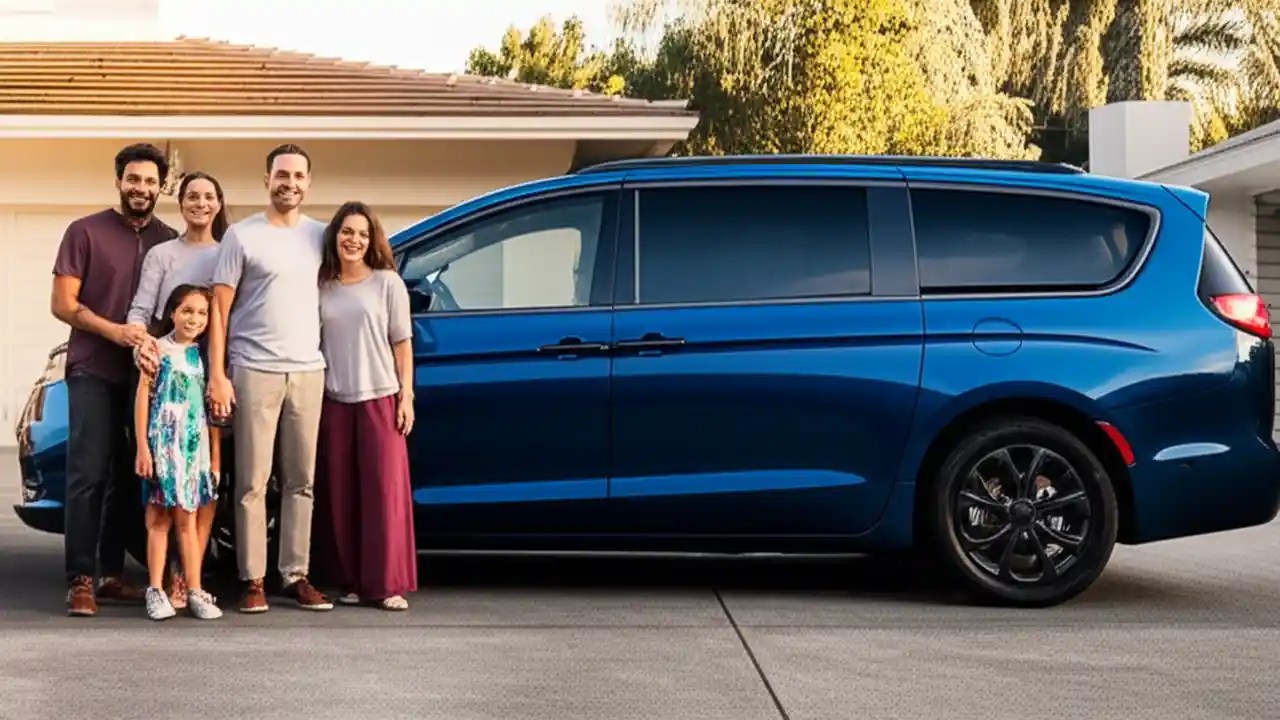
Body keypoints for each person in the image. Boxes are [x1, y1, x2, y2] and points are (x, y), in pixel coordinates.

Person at [51, 142, 179, 617]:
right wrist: (118, 332)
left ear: (160, 186)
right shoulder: (84, 232)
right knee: (88, 473)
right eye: (133, 179)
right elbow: (63, 304)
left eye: (150, 181)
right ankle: (79, 579)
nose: (141, 188)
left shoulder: (170, 240)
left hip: (148, 376)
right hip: (93, 369)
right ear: (119, 181)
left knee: (132, 475)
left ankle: (110, 573)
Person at [207, 143, 333, 613]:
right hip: (253, 368)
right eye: (282, 175)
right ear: (267, 180)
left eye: (299, 176)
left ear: (309, 182)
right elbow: (219, 309)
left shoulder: (322, 236)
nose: (290, 183)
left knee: (301, 481)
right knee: (251, 482)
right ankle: (253, 578)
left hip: (307, 370)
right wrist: (218, 375)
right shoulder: (242, 236)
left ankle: (295, 574)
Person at [128, 171, 230, 610]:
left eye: (209, 196)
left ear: (220, 203)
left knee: (199, 505)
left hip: (214, 389)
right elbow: (140, 312)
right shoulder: (163, 254)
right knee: (163, 513)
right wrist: (142, 347)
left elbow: (229, 317)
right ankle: (162, 586)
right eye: (192, 196)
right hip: (164, 427)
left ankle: (189, 584)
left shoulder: (231, 251)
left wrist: (221, 373)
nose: (201, 203)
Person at [315, 202, 417, 611]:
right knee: (342, 496)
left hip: (380, 397)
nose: (353, 240)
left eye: (361, 233)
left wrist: (406, 396)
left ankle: (387, 583)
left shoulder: (388, 283)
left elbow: (402, 342)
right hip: (335, 399)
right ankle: (355, 581)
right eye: (346, 232)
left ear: (372, 239)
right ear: (335, 236)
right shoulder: (322, 285)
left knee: (382, 494)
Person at [133, 284, 223, 621]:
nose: (194, 319)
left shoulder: (202, 356)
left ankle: (194, 589)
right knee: (159, 518)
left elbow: (210, 412)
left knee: (188, 519)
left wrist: (214, 457)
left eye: (201, 313)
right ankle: (155, 590)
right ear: (172, 312)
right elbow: (143, 398)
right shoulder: (156, 349)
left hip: (192, 449)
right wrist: (143, 447)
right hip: (162, 446)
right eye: (187, 311)